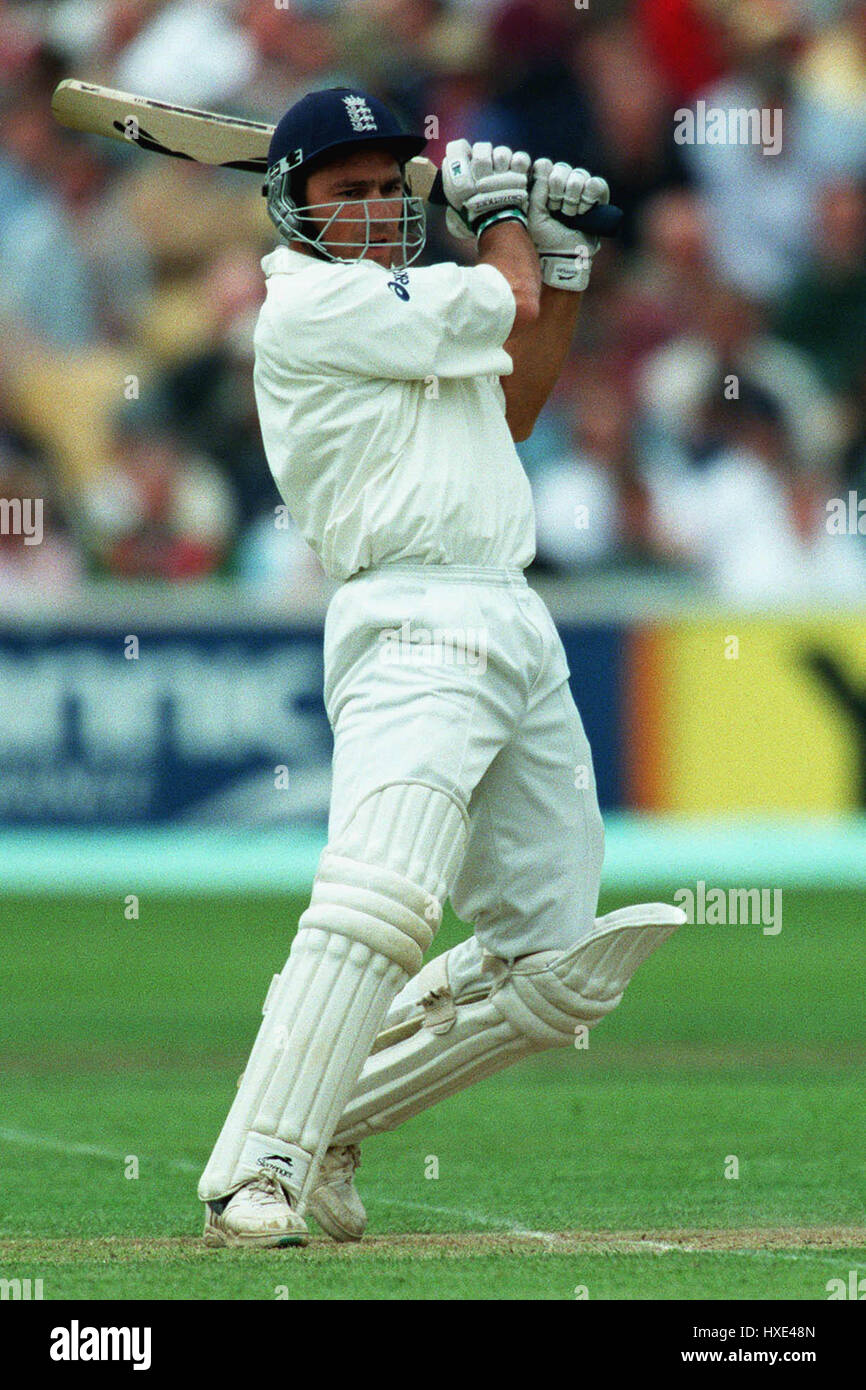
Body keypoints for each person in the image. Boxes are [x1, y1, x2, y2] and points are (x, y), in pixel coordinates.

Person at [197, 87, 684, 1248]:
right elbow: (499, 292)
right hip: (407, 614)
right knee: (381, 894)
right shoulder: (312, 305)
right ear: (291, 206)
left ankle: (324, 1125)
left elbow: (514, 393)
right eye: (345, 193)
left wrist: (556, 257)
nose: (371, 211)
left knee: (557, 967)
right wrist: (506, 219)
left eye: (384, 189)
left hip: (509, 613)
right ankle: (253, 1169)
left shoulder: (418, 307)